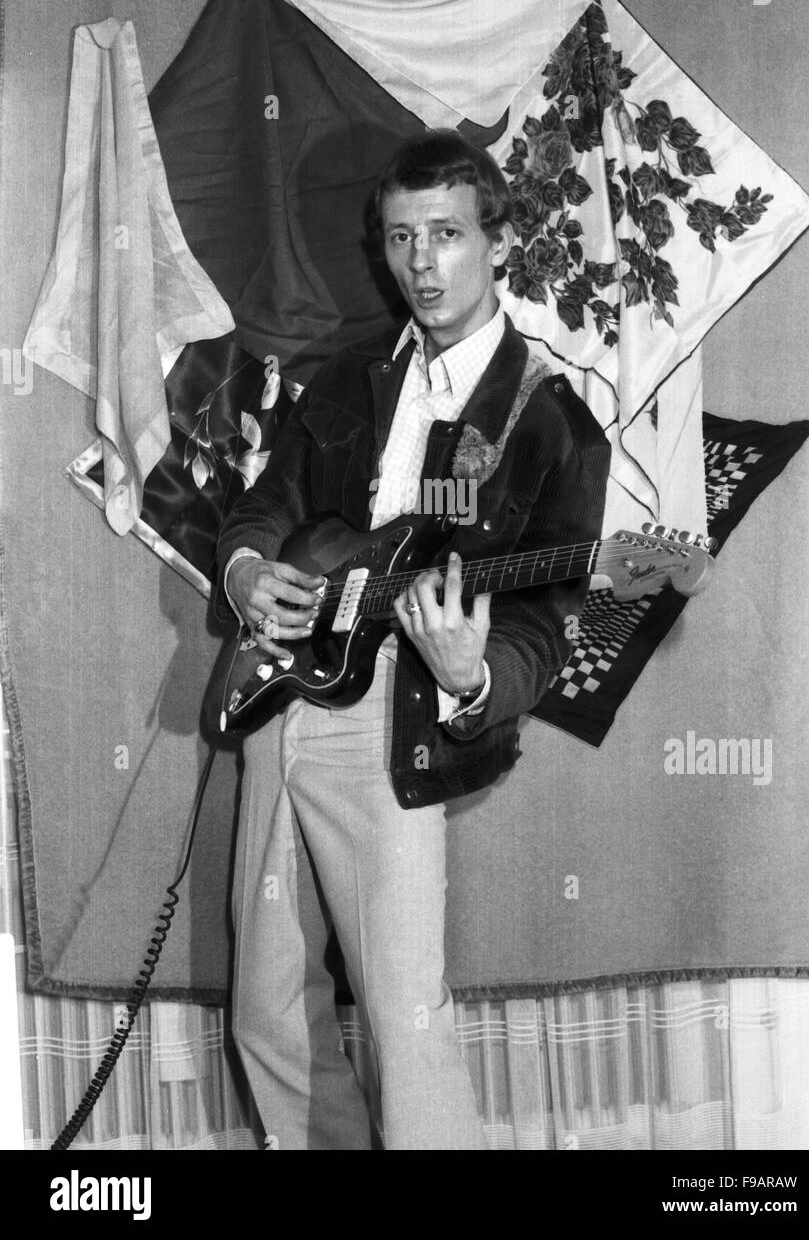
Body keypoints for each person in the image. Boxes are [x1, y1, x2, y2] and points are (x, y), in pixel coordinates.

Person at [214, 129, 610, 1150]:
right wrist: (252, 574)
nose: (421, 263)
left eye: (444, 234)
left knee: (401, 1017)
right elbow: (264, 509)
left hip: (399, 715)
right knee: (263, 1009)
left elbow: (545, 616)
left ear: (498, 242)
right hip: (282, 696)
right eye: (400, 237)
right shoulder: (351, 381)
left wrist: (473, 674)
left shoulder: (544, 421)